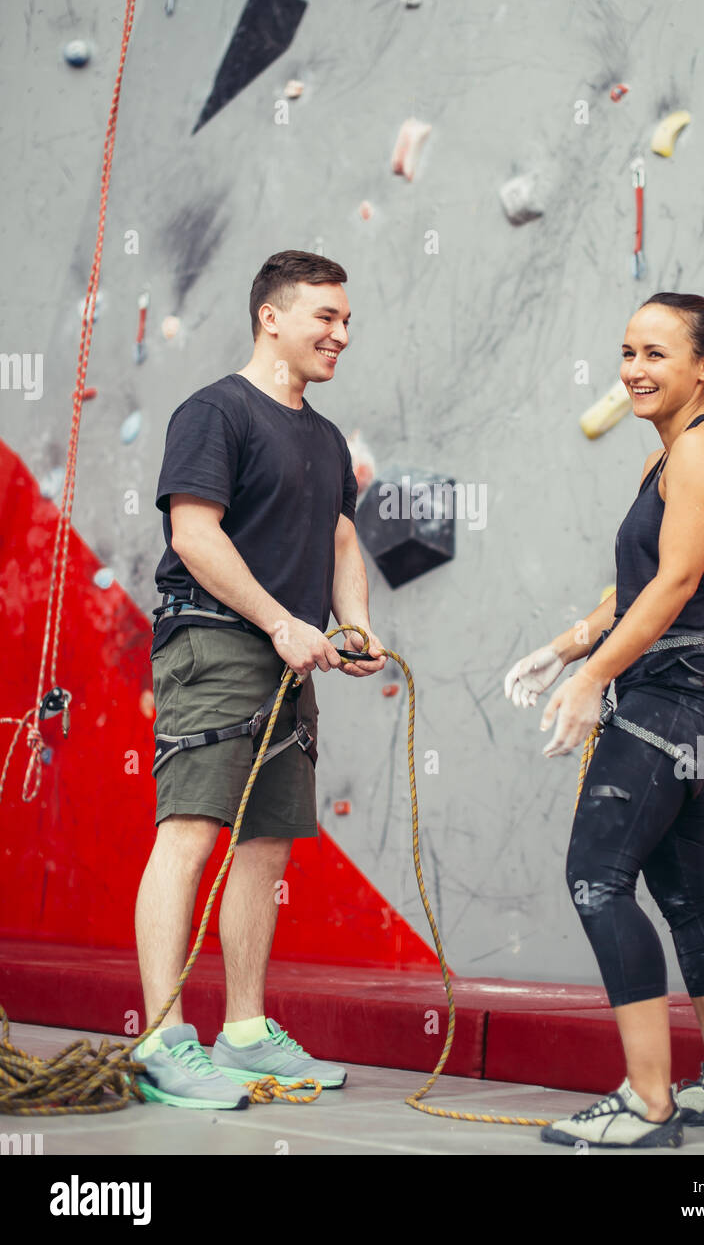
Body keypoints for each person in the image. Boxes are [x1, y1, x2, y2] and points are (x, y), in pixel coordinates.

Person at [505, 293, 704, 1149]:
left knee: (597, 876)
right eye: (627, 351)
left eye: (657, 353)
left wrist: (594, 678)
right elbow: (641, 587)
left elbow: (673, 588)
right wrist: (563, 646)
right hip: (678, 688)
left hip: (669, 695)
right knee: (685, 895)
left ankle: (649, 1103)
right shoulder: (681, 452)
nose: (634, 370)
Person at [133, 250, 386, 1110]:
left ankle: (243, 1034)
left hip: (293, 657)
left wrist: (351, 624)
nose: (341, 334)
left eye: (347, 320)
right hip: (214, 646)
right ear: (270, 318)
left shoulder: (323, 436)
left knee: (266, 844)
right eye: (326, 316)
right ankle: (162, 1038)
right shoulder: (214, 412)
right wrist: (279, 621)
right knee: (191, 832)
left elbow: (343, 541)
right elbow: (194, 534)